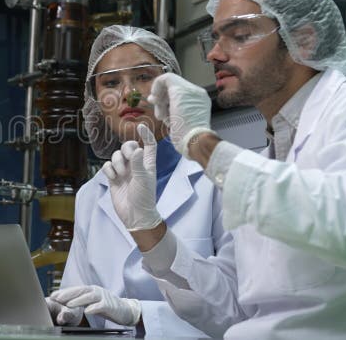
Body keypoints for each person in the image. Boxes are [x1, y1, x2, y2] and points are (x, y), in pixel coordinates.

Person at [103, 0, 346, 339]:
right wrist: (148, 227)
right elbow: (233, 307)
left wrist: (201, 143)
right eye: (214, 38)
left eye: (238, 35)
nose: (214, 54)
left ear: (305, 39)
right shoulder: (269, 158)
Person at [44, 25, 229, 337]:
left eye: (143, 77)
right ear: (97, 103)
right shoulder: (92, 194)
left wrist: (138, 314)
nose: (128, 94)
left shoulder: (216, 178)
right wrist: (70, 314)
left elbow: (238, 308)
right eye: (111, 82)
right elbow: (81, 299)